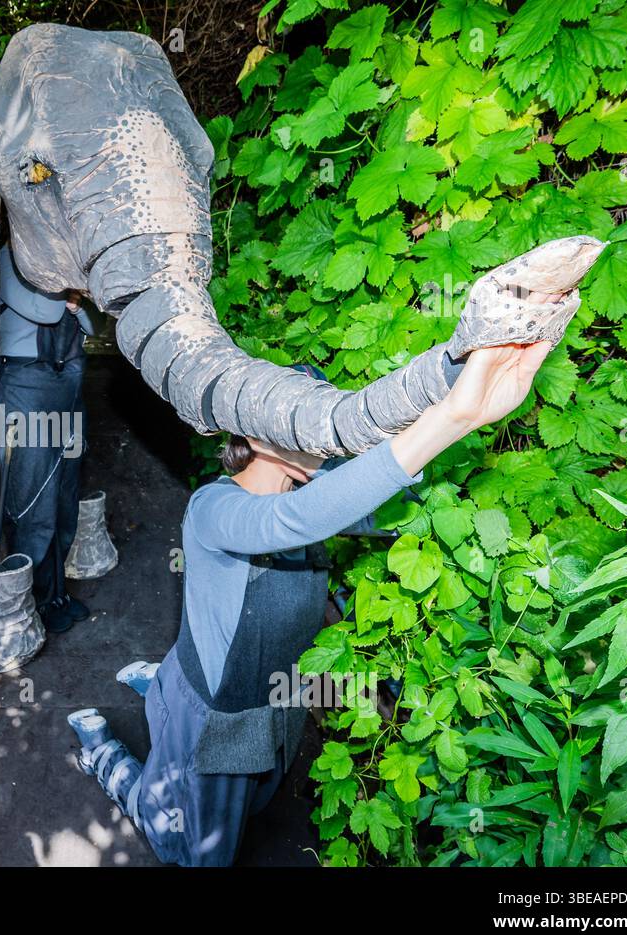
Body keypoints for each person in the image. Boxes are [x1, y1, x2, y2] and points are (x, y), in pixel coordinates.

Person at [67, 334, 559, 865]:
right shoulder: (214, 508)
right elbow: (296, 521)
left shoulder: (305, 493)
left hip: (273, 706)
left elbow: (374, 500)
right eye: (303, 426)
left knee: (251, 804)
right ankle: (104, 752)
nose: (322, 443)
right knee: (189, 849)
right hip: (213, 716)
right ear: (254, 434)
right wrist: (455, 416)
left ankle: (159, 684)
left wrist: (461, 380)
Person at [0, 238, 100, 634]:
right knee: (33, 501)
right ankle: (29, 602)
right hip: (25, 385)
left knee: (65, 496)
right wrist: (73, 292)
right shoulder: (8, 258)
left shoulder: (63, 260)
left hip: (67, 383)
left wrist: (78, 299)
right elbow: (42, 309)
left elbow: (94, 321)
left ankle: (56, 593)